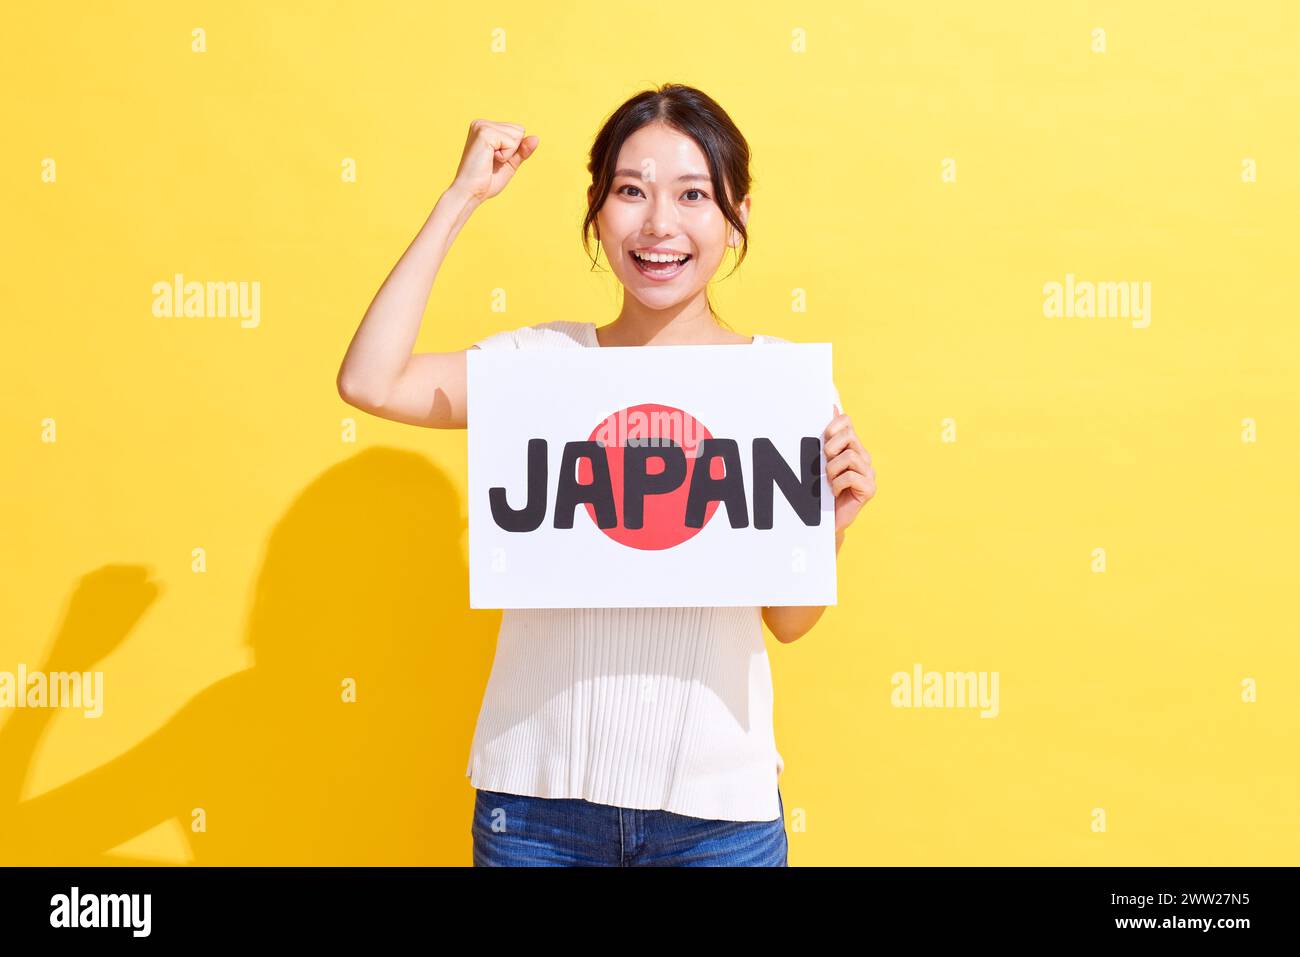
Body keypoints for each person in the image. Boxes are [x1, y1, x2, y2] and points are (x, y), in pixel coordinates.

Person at [336, 83, 877, 866]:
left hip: (718, 819)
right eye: (631, 191)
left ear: (738, 215)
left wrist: (835, 521)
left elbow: (786, 620)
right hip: (536, 814)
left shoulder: (783, 386)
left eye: (694, 194)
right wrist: (460, 198)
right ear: (596, 211)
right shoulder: (539, 368)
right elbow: (370, 382)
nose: (660, 224)